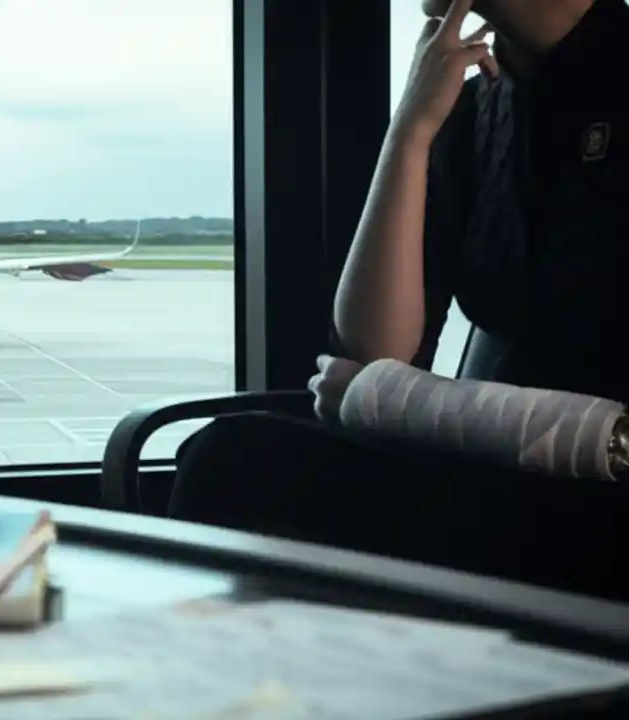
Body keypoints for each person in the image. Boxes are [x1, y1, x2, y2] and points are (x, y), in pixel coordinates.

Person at [169, 0, 629, 600]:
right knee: (229, 457)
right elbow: (376, 356)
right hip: (508, 482)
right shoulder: (475, 105)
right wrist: (410, 131)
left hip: (606, 498)